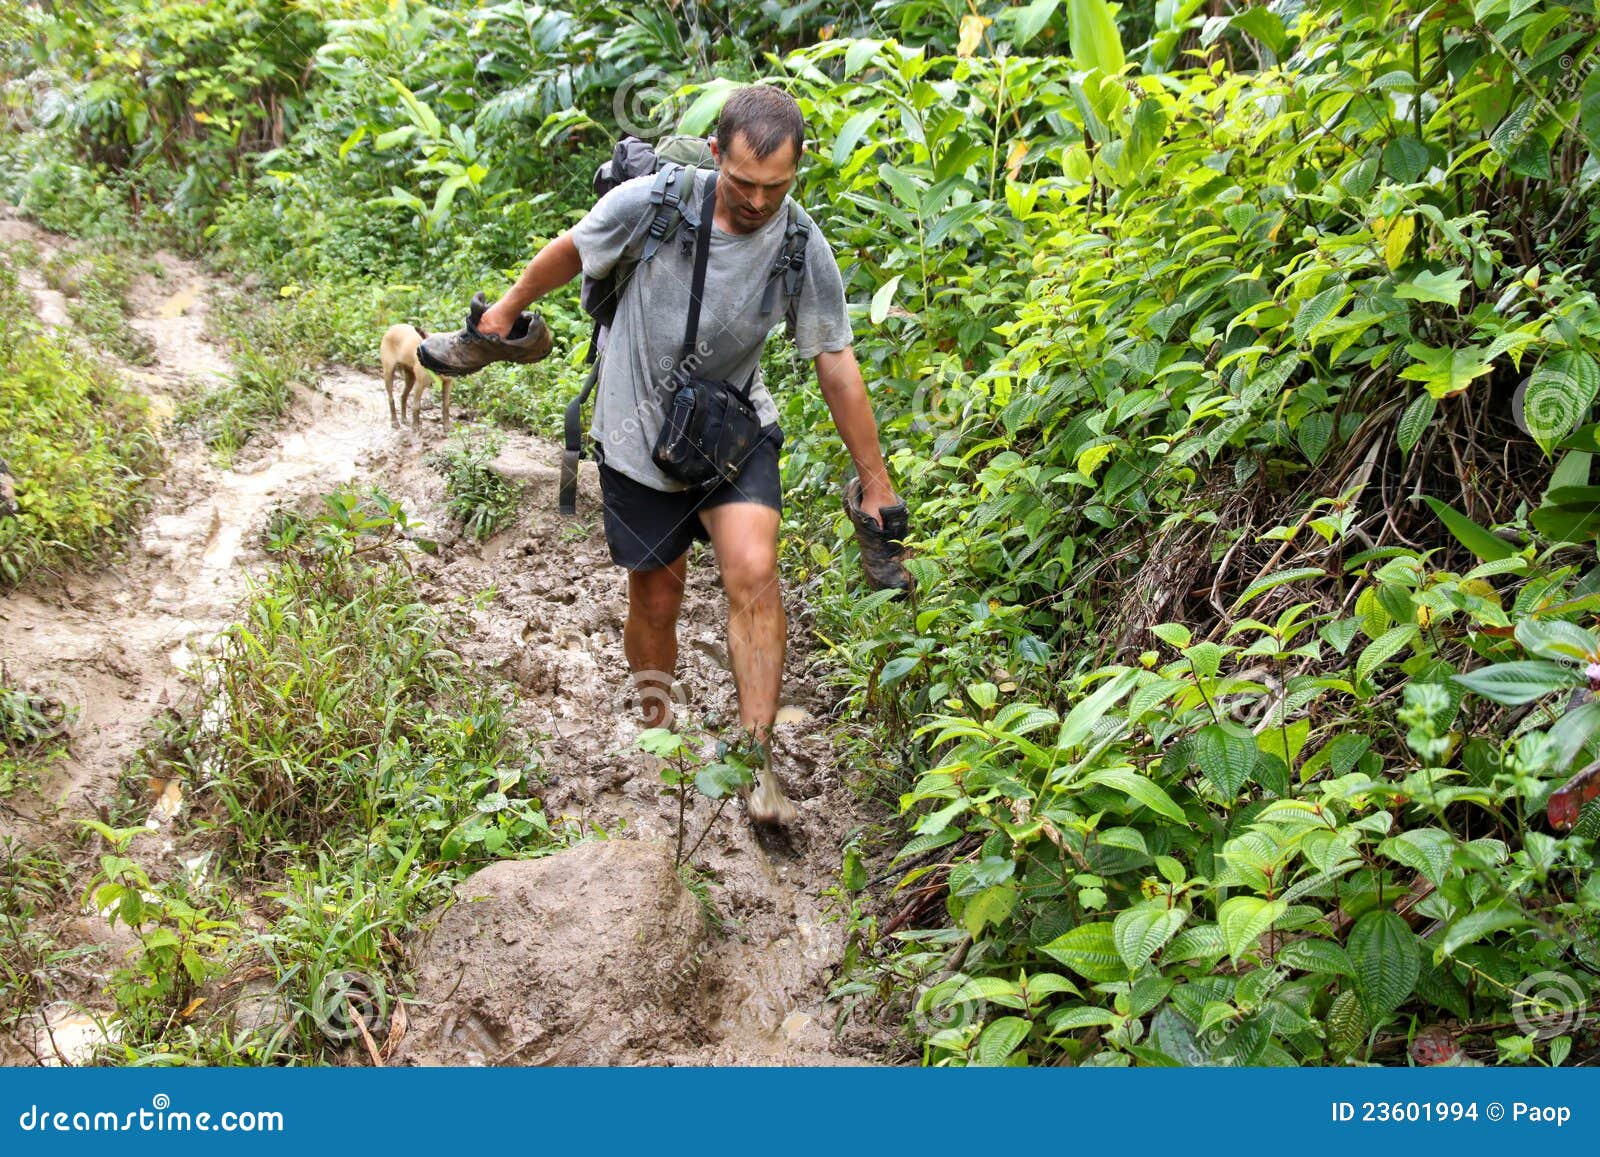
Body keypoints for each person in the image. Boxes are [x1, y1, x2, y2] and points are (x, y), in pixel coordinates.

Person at [474, 85, 903, 826]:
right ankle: (658, 730)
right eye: (743, 184)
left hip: (731, 430)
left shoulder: (800, 243)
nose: (760, 203)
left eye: (777, 187)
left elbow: (835, 358)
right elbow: (573, 251)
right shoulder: (655, 203)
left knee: (755, 572)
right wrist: (505, 315)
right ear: (715, 156)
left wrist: (876, 480)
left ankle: (757, 761)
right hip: (638, 433)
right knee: (658, 596)